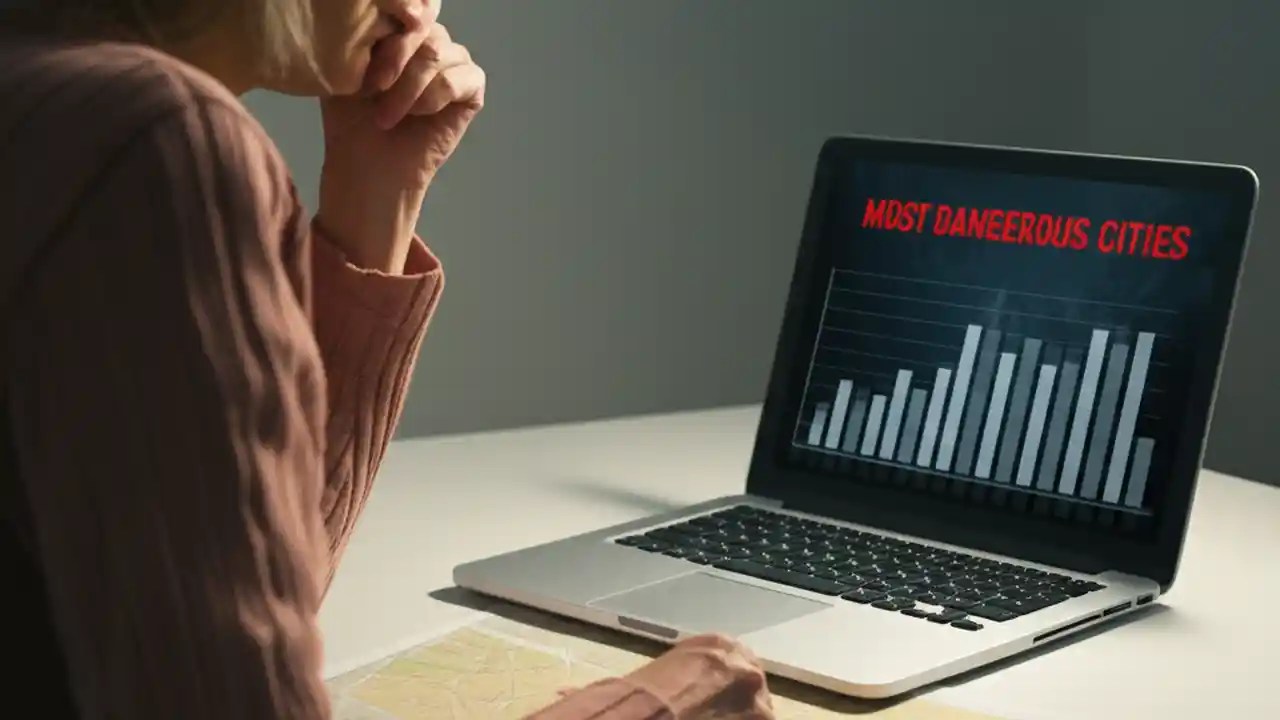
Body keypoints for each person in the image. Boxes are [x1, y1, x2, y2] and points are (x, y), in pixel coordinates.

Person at [0, 0, 776, 718]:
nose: (415, 9)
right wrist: (652, 703)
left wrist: (378, 187)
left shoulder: (46, 91)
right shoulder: (155, 139)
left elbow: (244, 597)